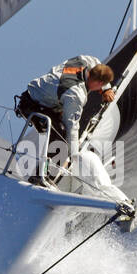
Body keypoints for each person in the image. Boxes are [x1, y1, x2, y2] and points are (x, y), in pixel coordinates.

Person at [18, 54, 116, 184]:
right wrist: (74, 156)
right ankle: (40, 178)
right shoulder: (75, 94)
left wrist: (106, 89)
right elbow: (72, 127)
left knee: (61, 138)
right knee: (61, 142)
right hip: (31, 105)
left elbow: (99, 67)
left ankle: (44, 175)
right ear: (98, 83)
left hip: (43, 97)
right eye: (101, 85)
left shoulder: (86, 61)